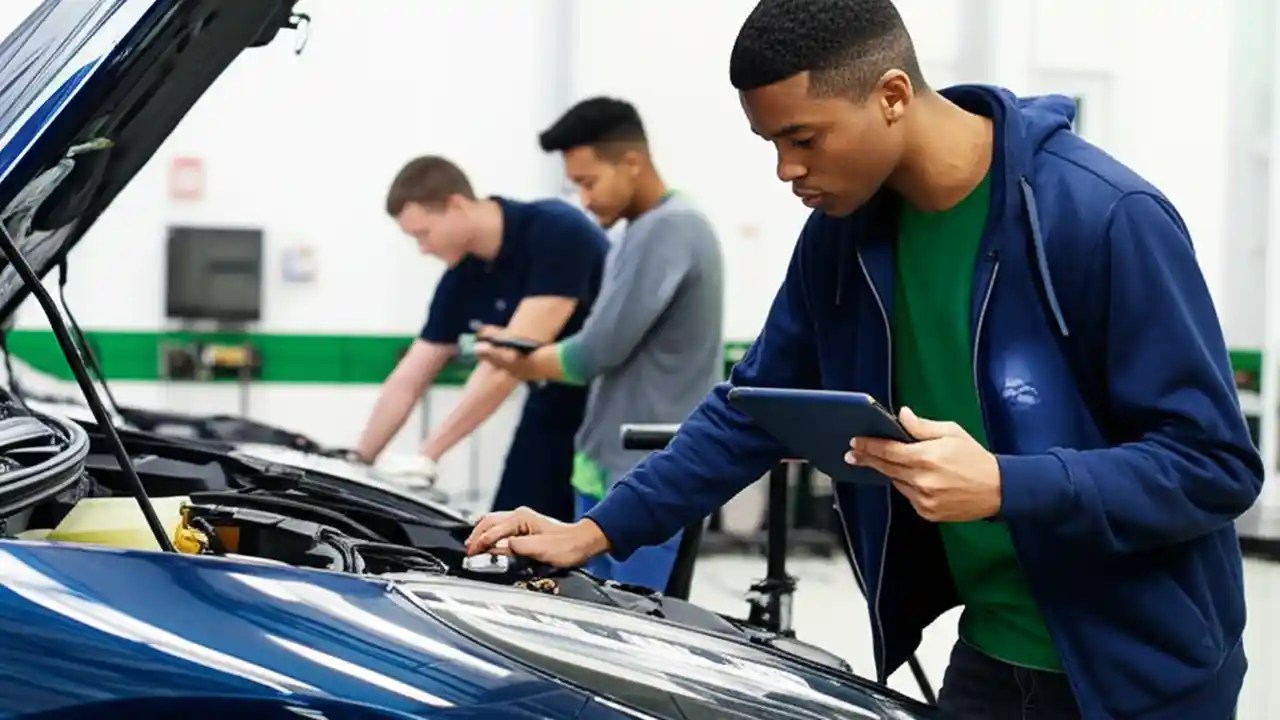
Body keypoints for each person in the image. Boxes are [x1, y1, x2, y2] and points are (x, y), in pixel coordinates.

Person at [463, 1, 1263, 718]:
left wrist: (1005, 484)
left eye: (802, 138)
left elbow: (1214, 465)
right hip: (990, 654)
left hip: (1143, 671)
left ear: (890, 96)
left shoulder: (1104, 218)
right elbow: (749, 409)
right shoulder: (842, 241)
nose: (786, 170)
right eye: (771, 142)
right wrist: (598, 532)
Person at [473, 97, 724, 591]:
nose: (584, 200)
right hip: (610, 469)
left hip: (647, 476)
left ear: (631, 162)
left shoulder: (671, 228)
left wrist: (520, 360)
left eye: (589, 182)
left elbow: (595, 353)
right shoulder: (640, 231)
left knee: (638, 627)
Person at [355, 155, 609, 524]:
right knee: (511, 529)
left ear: (456, 205)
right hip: (551, 402)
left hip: (611, 405)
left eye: (423, 234)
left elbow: (508, 365)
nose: (422, 249)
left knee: (595, 539)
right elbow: (410, 376)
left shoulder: (556, 232)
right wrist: (358, 461)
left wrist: (428, 454)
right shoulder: (464, 273)